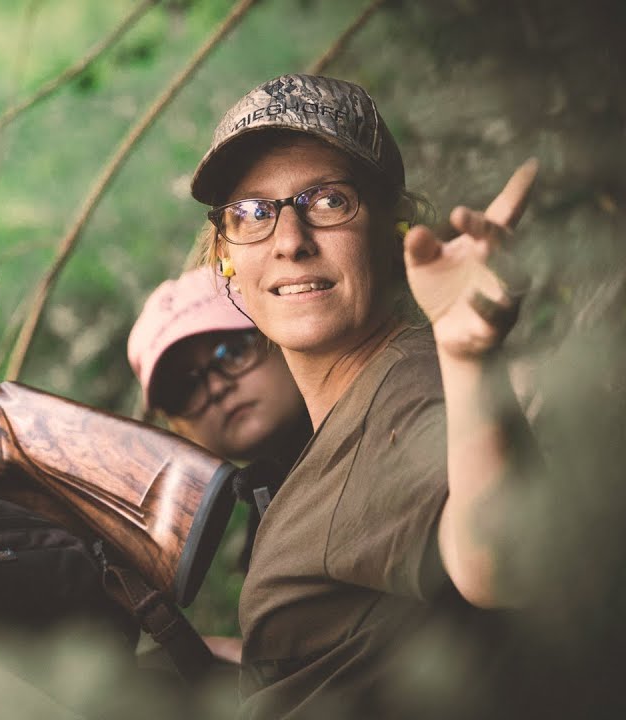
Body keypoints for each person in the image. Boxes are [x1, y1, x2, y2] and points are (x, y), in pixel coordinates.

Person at [189, 73, 537, 718]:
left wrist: (469, 355)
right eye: (253, 213)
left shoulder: (410, 390)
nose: (290, 242)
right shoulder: (345, 410)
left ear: (394, 224)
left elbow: (505, 560)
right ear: (225, 254)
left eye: (327, 202)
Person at [126, 267, 311, 666]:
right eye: (185, 388)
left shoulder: (372, 419)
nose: (216, 387)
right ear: (173, 427)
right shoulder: (266, 498)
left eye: (233, 351)